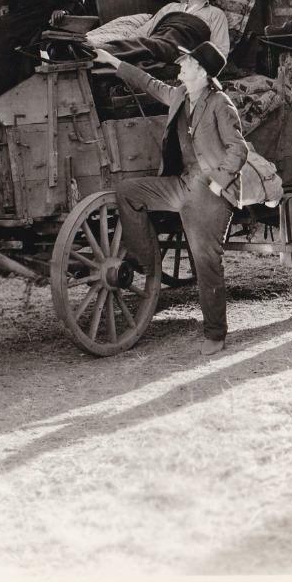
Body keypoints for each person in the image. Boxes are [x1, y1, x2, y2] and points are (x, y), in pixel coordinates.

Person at [94, 41, 247, 356]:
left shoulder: (220, 103)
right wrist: (112, 61)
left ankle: (215, 334)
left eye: (187, 62)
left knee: (206, 261)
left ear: (201, 72)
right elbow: (149, 84)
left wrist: (219, 184)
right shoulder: (180, 95)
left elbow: (239, 148)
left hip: (210, 191)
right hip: (182, 183)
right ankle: (149, 262)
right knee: (128, 192)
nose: (181, 65)